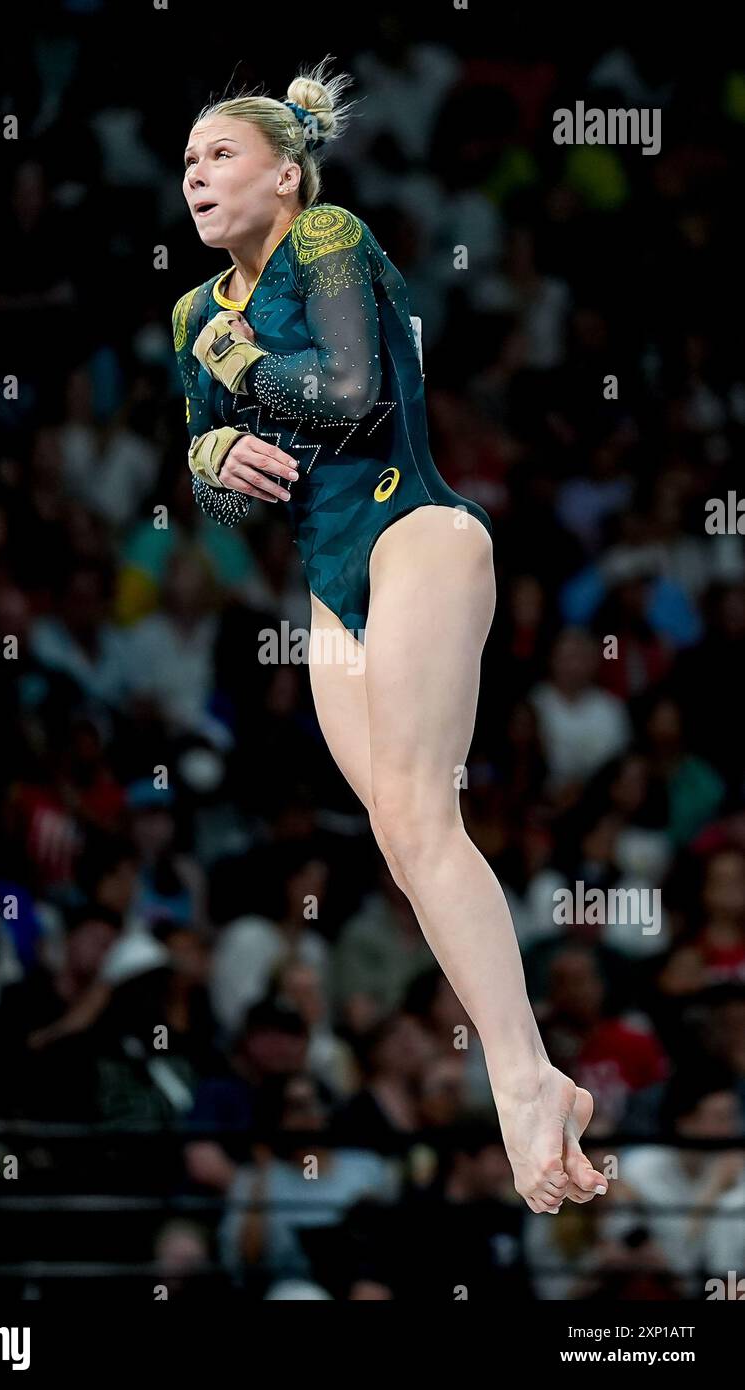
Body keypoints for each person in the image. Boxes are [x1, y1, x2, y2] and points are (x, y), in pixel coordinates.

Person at [172, 59, 608, 1214]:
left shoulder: (324, 235)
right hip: (329, 590)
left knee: (419, 811)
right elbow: (216, 476)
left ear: (286, 172)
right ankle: (536, 1075)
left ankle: (517, 1086)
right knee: (406, 845)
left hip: (413, 531)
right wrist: (210, 457)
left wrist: (240, 374)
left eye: (220, 155)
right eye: (184, 163)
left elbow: (354, 388)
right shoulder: (191, 315)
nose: (196, 177)